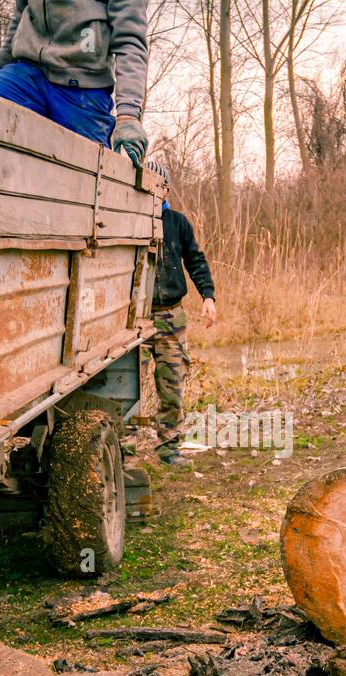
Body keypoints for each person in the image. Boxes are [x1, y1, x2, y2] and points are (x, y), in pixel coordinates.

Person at [0, 0, 149, 164]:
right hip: (27, 74)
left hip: (84, 87)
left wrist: (128, 115)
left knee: (88, 170)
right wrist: (0, 74)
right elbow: (19, 18)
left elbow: (129, 40)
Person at [144, 160, 216, 466]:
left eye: (159, 186)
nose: (154, 191)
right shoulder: (127, 219)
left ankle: (168, 448)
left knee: (172, 385)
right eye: (148, 184)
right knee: (126, 388)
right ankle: (125, 454)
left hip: (171, 316)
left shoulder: (177, 222)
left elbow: (195, 260)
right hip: (135, 320)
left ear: (166, 190)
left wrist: (208, 296)